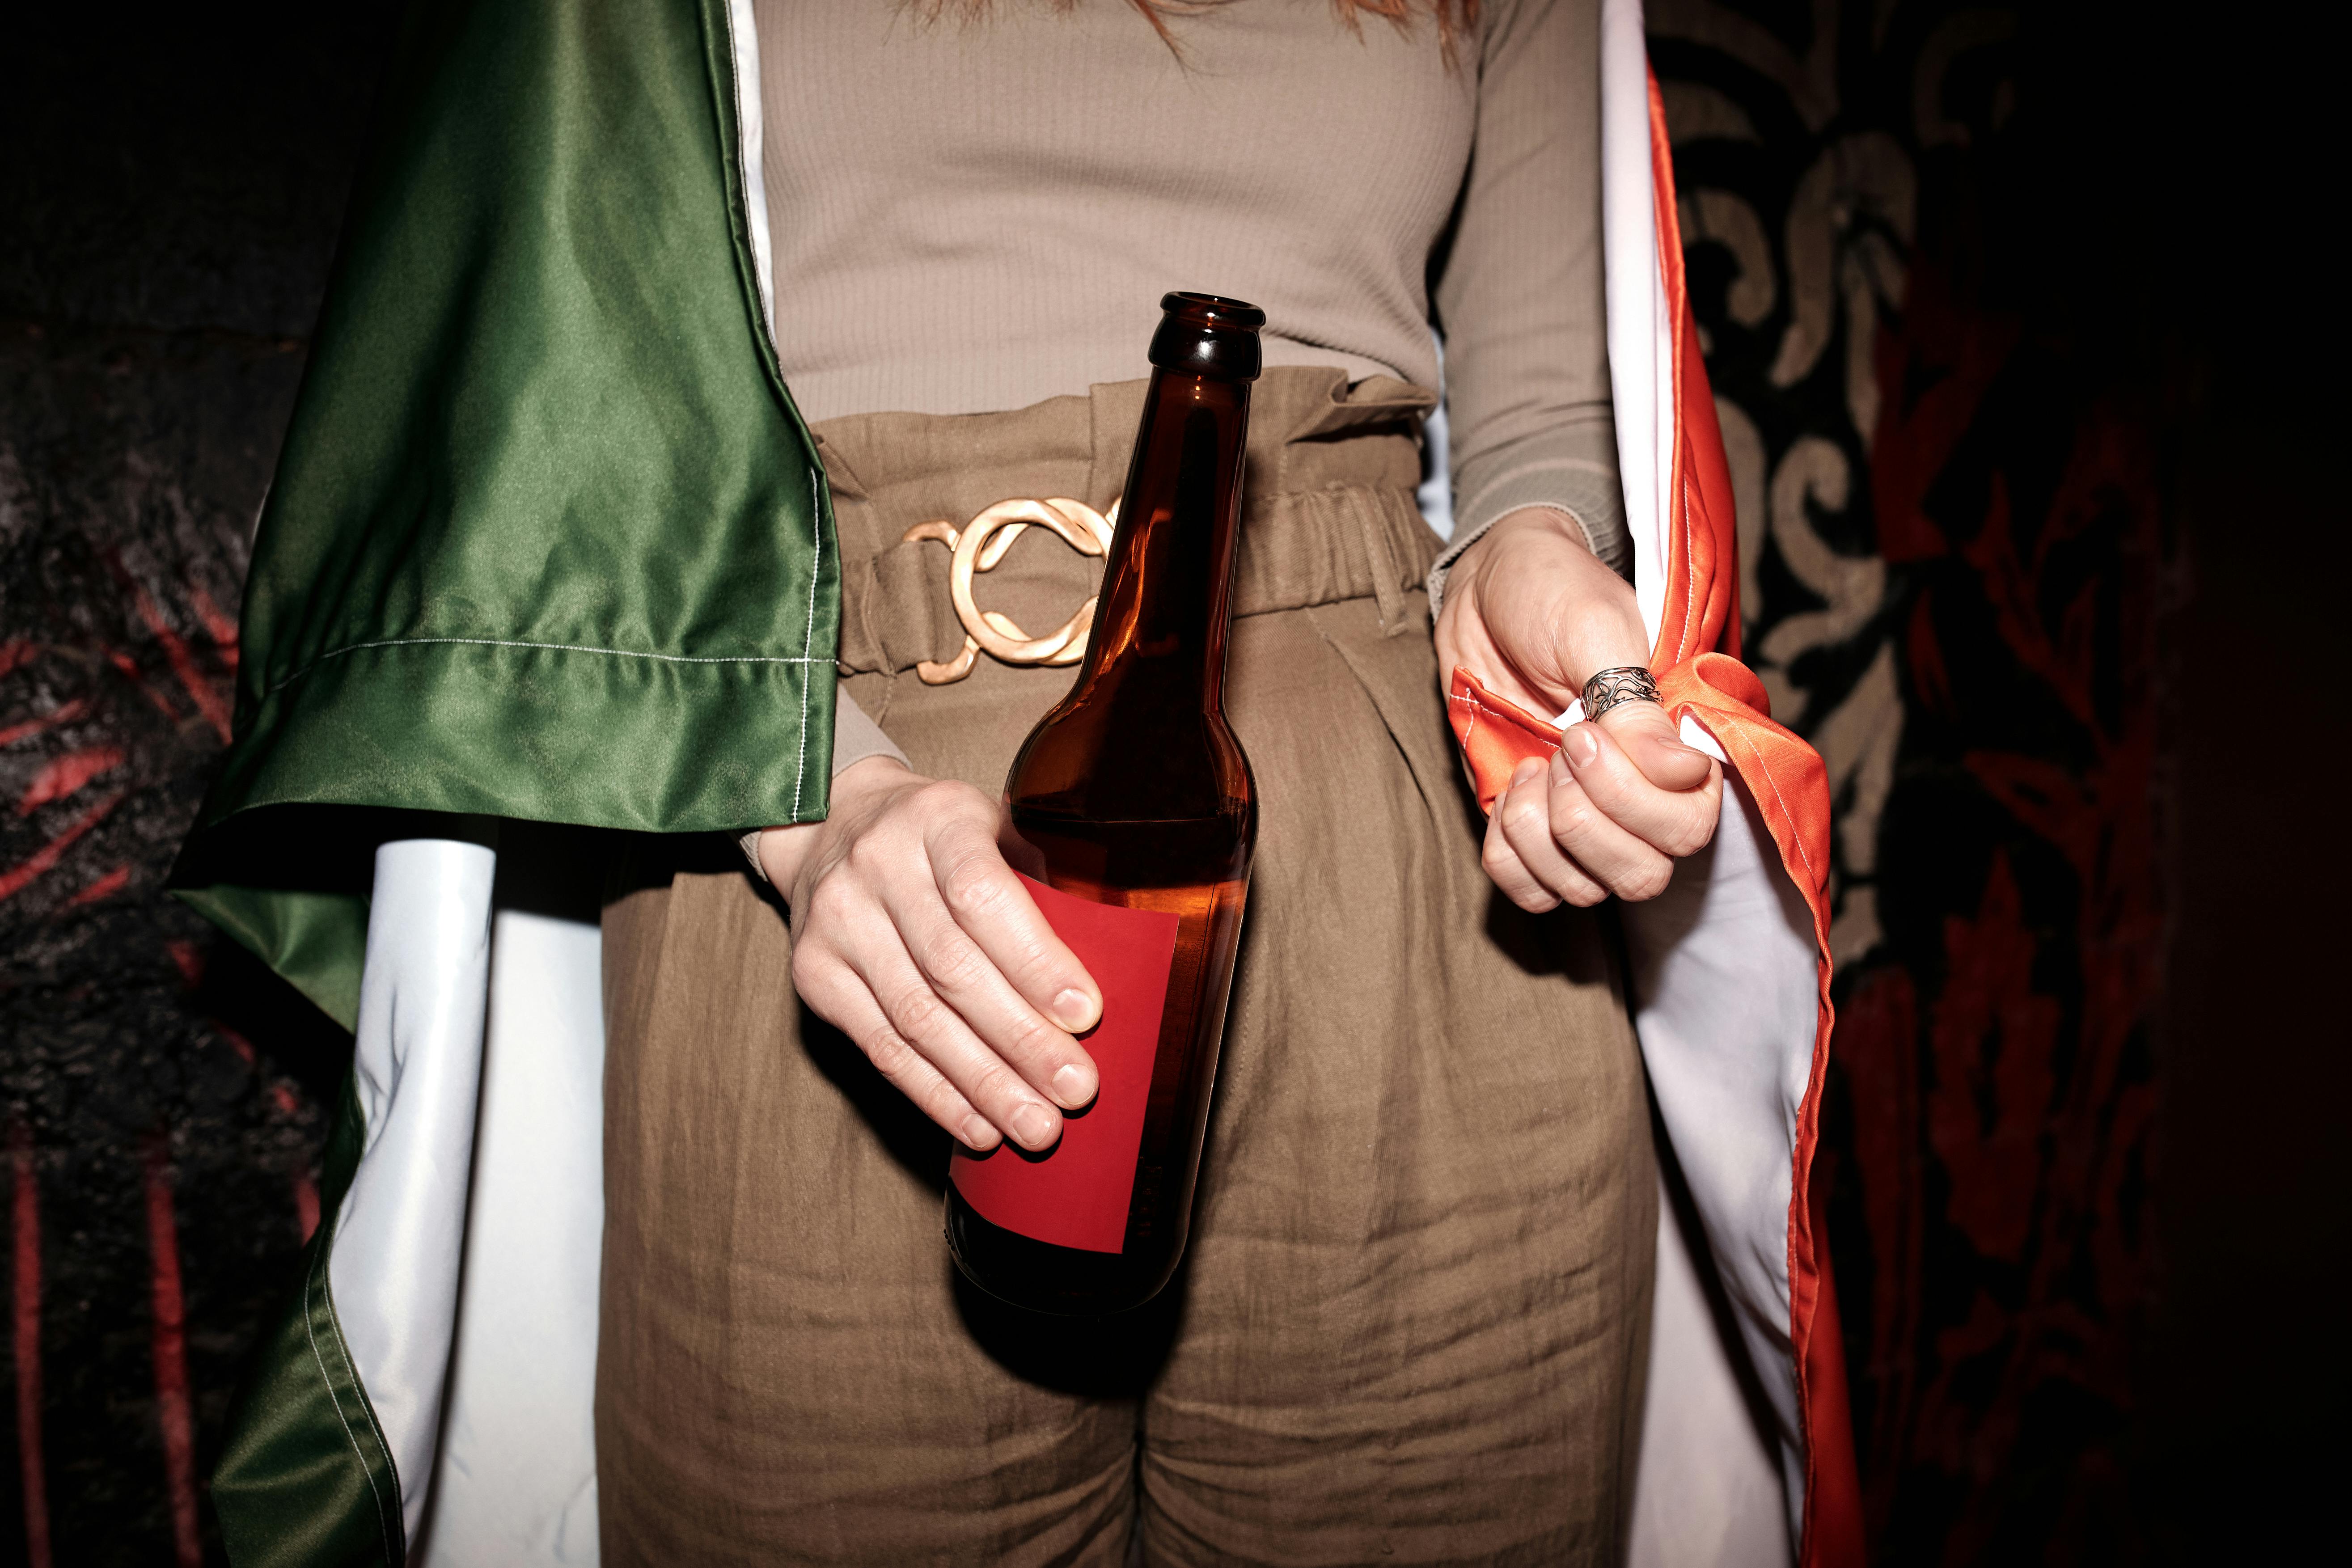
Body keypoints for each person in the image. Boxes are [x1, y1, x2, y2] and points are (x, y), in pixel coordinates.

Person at [589, 1, 1719, 1563]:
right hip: (834, 854)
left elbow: (1537, 419)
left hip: (1410, 906)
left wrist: (1541, 592)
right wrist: (809, 793)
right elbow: (560, 393)